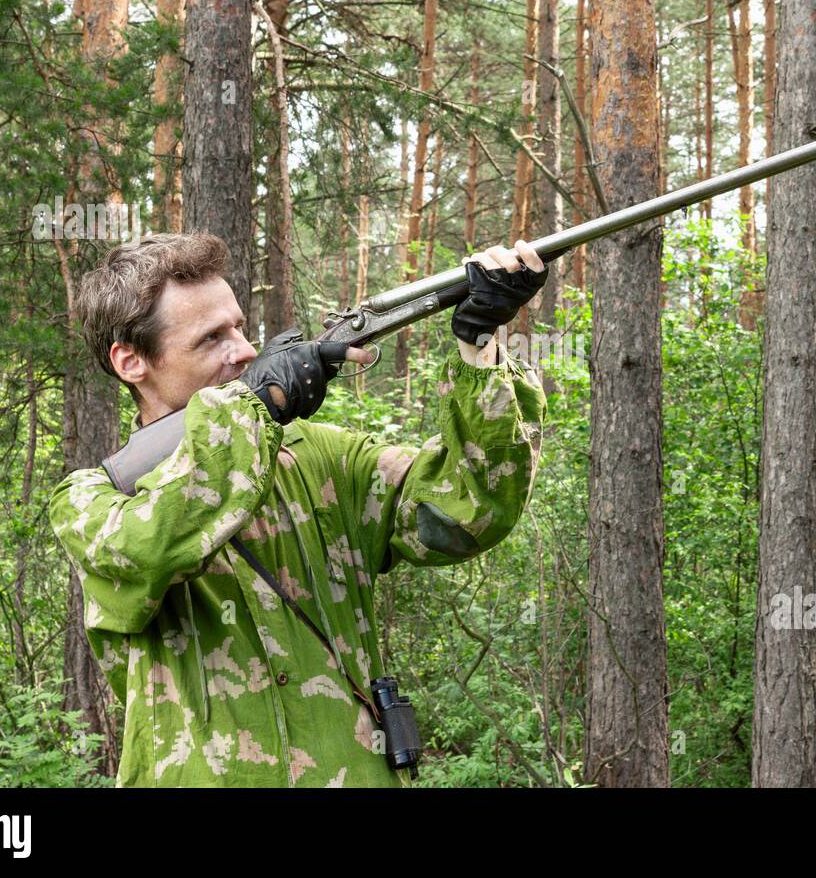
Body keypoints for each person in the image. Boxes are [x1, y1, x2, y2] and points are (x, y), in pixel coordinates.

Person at [48, 231, 547, 787]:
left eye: (239, 327)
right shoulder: (92, 500)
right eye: (211, 338)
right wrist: (253, 407)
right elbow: (146, 548)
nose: (244, 351)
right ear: (131, 361)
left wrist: (479, 345)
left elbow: (469, 512)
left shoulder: (325, 457)